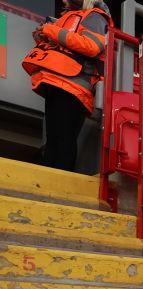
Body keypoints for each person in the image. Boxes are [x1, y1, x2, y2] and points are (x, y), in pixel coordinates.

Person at [21, 0, 112, 171]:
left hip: (73, 85)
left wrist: (52, 30)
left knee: (63, 139)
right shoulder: (71, 16)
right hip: (57, 81)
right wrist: (44, 35)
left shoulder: (95, 17)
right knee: (54, 139)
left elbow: (92, 46)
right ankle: (49, 184)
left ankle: (61, 186)